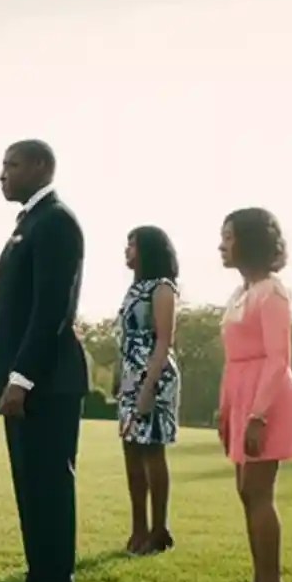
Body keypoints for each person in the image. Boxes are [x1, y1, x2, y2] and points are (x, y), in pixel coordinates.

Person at [0, 140, 89, 582]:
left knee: (48, 486)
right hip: (30, 383)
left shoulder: (57, 222)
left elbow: (51, 309)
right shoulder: (30, 221)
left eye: (11, 165)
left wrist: (21, 378)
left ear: (41, 167)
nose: (1, 174)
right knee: (31, 488)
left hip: (47, 383)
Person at [217, 207, 292, 582]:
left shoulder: (272, 292)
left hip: (267, 398)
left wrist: (257, 414)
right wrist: (225, 408)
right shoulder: (240, 295)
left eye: (229, 236)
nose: (222, 245)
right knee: (244, 492)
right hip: (242, 394)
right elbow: (234, 358)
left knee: (258, 491)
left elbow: (278, 358)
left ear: (249, 241)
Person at [116, 225, 181, 556]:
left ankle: (159, 529)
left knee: (152, 450)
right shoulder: (134, 289)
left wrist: (147, 388)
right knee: (130, 450)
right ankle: (137, 528)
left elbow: (163, 342)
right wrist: (122, 381)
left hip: (155, 377)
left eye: (132, 245)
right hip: (130, 376)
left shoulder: (162, 289)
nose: (127, 250)